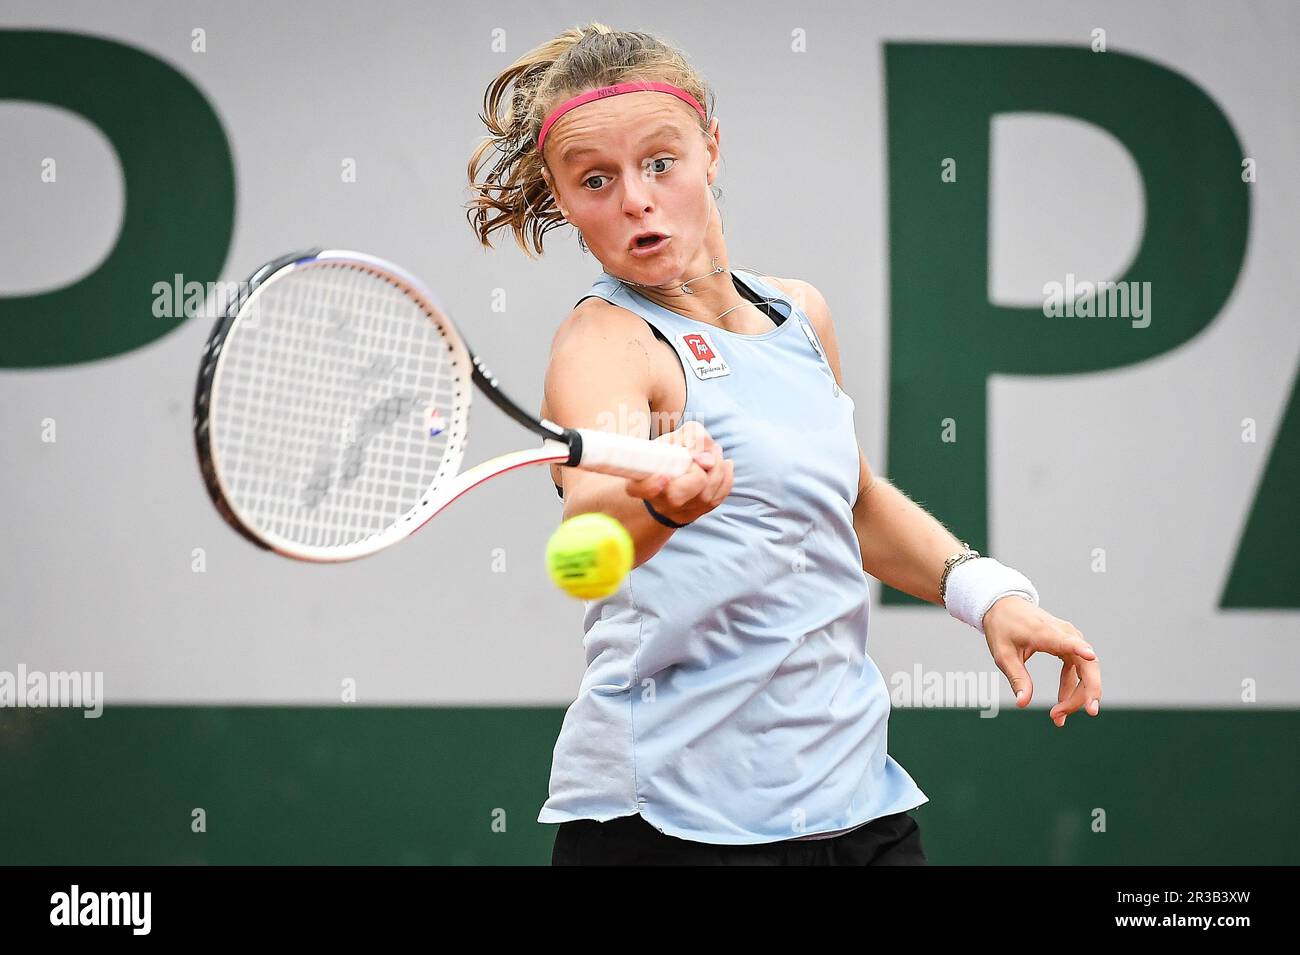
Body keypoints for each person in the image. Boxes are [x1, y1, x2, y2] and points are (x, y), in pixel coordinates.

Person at [464, 22, 1102, 866]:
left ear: (711, 149)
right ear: (562, 193)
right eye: (595, 179)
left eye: (661, 161)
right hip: (671, 826)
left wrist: (988, 594)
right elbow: (589, 541)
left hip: (854, 806)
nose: (635, 199)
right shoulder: (605, 345)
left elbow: (853, 498)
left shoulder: (801, 314)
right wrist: (661, 503)